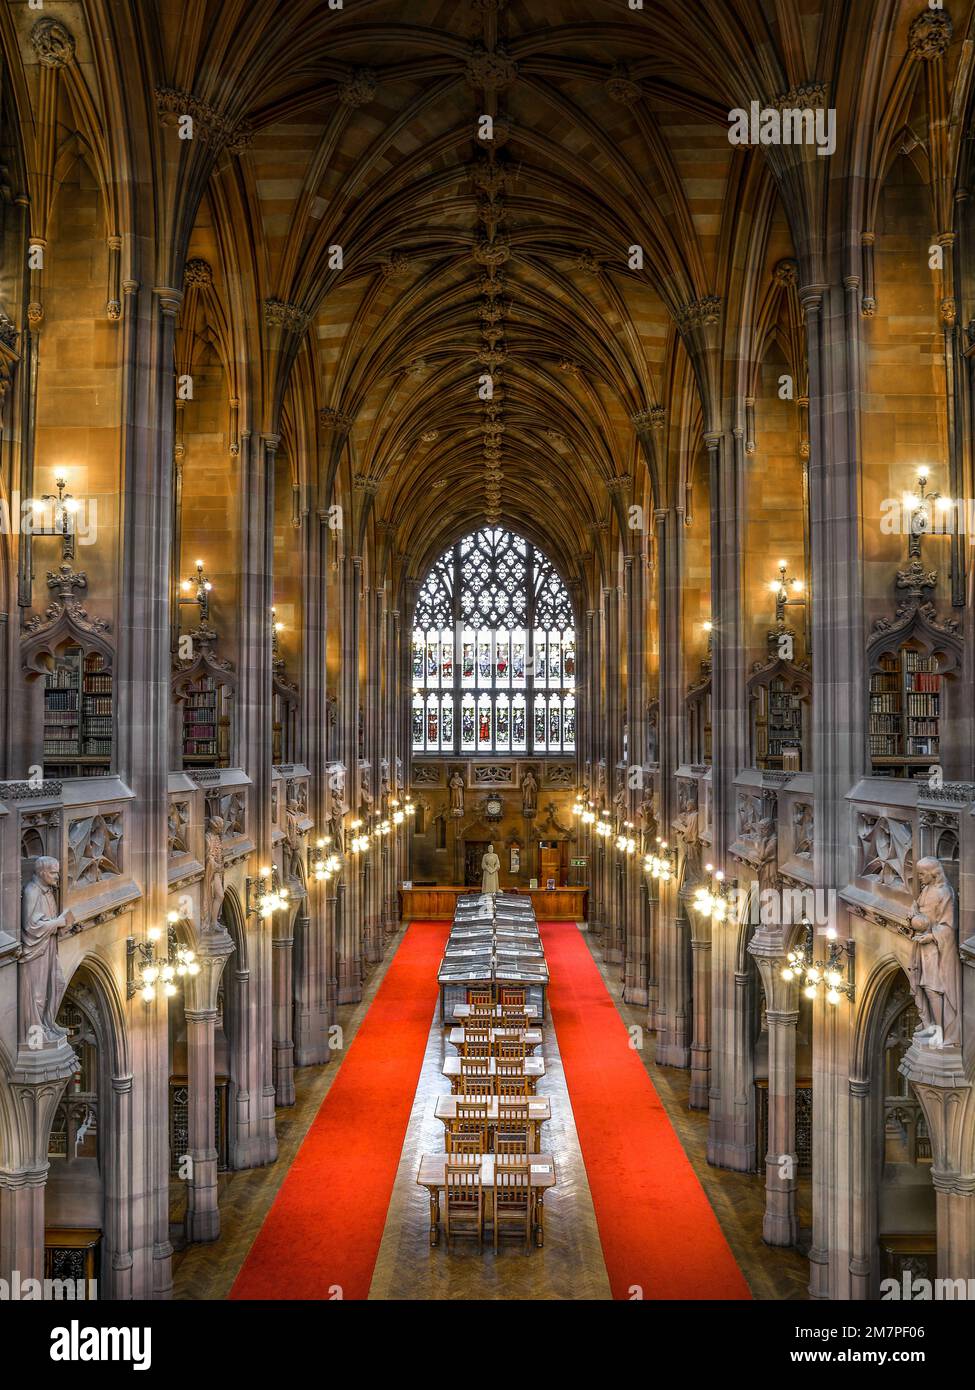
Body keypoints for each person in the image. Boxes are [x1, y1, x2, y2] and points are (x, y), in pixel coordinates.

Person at [20, 856, 74, 1049]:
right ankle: (36, 1038)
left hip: (49, 944)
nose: (57, 876)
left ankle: (48, 1023)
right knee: (38, 994)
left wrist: (60, 923)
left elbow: (44, 920)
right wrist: (57, 922)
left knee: (57, 982)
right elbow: (30, 925)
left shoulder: (48, 891)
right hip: (36, 950)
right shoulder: (32, 891)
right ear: (42, 872)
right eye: (53, 872)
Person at [907, 857, 961, 1048]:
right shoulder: (926, 889)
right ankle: (931, 1025)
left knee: (933, 988)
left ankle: (941, 1031)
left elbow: (949, 926)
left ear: (933, 873)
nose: (919, 877)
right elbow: (919, 908)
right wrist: (913, 912)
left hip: (937, 949)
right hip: (922, 946)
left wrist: (931, 937)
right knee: (923, 986)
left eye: (922, 874)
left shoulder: (944, 892)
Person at [202, 816, 226, 932]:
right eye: (220, 826)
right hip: (212, 872)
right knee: (219, 895)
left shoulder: (216, 837)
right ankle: (212, 923)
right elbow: (208, 857)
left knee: (219, 896)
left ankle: (214, 921)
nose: (222, 828)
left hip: (217, 872)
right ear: (215, 826)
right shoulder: (208, 838)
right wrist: (216, 865)